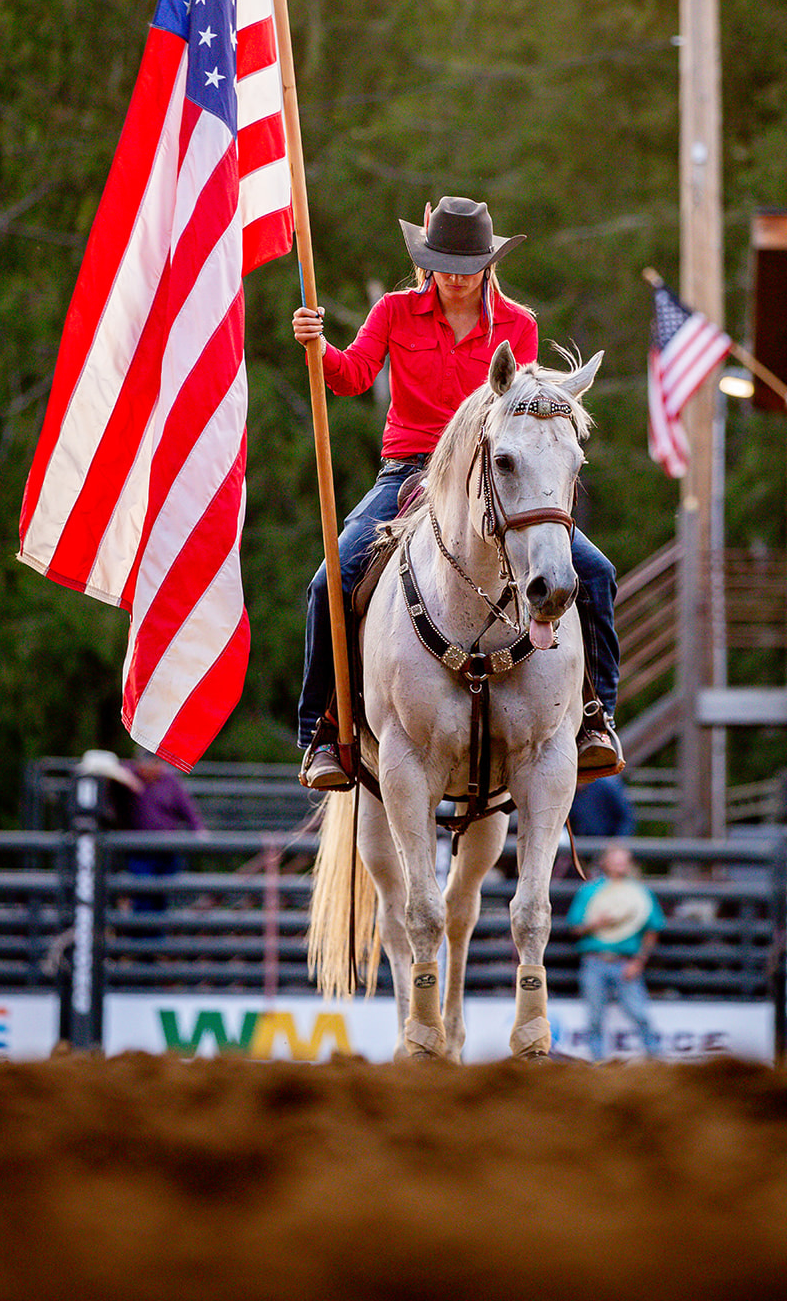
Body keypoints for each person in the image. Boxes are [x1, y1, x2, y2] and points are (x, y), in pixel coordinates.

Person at [293, 195, 624, 790]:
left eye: (467, 265)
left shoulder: (519, 325)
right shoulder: (394, 311)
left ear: (488, 264)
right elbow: (354, 376)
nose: (453, 276)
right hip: (407, 471)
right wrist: (320, 349)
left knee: (595, 573)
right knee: (331, 579)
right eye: (442, 263)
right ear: (426, 260)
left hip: (494, 475)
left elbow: (520, 416)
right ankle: (322, 730)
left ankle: (596, 718)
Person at [566, 842, 665, 1060]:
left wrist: (638, 961)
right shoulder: (589, 891)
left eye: (623, 861)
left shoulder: (641, 892)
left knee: (639, 1013)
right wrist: (595, 924)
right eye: (615, 860)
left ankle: (655, 1057)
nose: (620, 865)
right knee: (594, 1017)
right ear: (605, 863)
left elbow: (653, 929)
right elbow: (574, 927)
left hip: (626, 962)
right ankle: (598, 1061)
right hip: (594, 961)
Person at [117, 748, 206, 913]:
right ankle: (144, 928)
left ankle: (156, 927)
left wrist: (199, 830)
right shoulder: (128, 775)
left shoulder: (170, 780)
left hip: (167, 849)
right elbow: (112, 770)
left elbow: (187, 809)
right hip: (140, 850)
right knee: (143, 895)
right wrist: (129, 780)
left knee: (163, 896)